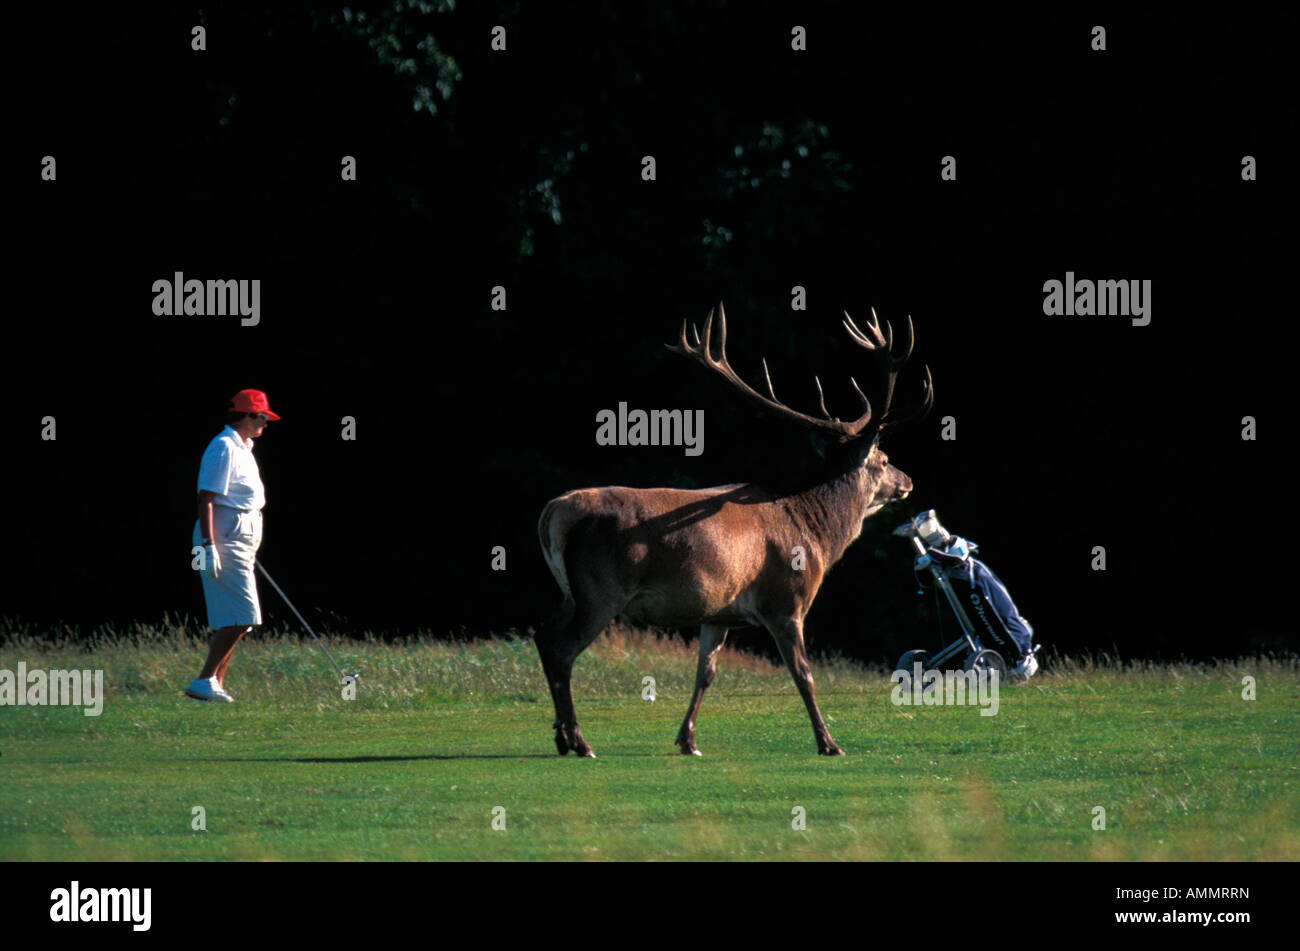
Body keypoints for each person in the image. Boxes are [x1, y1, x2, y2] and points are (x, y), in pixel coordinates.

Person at [185, 389, 280, 702]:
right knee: (244, 614)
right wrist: (209, 545)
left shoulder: (245, 447)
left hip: (239, 536)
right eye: (263, 417)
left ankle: (213, 685)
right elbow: (206, 497)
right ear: (248, 415)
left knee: (235, 618)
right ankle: (204, 679)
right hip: (222, 538)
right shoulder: (223, 446)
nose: (266, 423)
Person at [912, 512, 1040, 684]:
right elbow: (925, 583)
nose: (934, 534)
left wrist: (930, 556)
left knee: (996, 625)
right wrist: (924, 561)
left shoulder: (956, 544)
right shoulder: (940, 551)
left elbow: (958, 557)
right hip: (974, 607)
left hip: (979, 595)